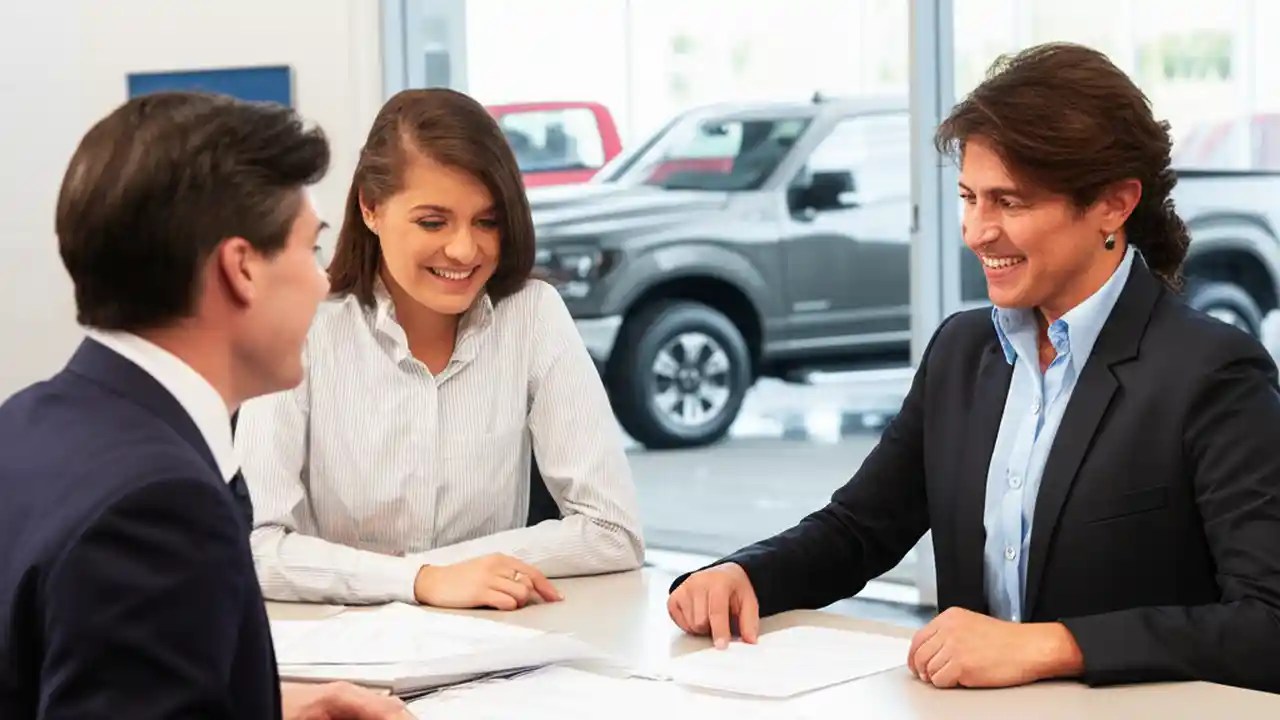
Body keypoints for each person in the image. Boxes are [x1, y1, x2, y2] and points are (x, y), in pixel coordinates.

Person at [667, 43, 1280, 694]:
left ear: (1113, 204)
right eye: (969, 198)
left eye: (1009, 203)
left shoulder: (1211, 373)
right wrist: (745, 576)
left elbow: (1267, 624)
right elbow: (859, 530)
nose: (977, 232)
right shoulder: (962, 354)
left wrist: (1052, 647)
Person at [0, 92, 410, 718]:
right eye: (311, 249)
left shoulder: (26, 423)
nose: (324, 280)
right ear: (241, 268)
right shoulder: (158, 507)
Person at [237, 88, 643, 610]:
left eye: (487, 221)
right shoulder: (305, 325)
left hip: (492, 644)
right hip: (340, 655)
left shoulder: (533, 315)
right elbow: (255, 546)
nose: (464, 249)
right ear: (371, 207)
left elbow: (614, 531)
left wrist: (452, 571)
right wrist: (420, 580)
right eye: (433, 221)